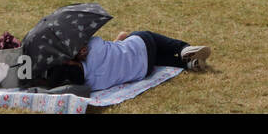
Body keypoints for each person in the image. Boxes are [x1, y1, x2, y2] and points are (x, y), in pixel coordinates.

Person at [69, 30, 211, 91]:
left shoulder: (92, 86)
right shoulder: (93, 46)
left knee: (156, 58)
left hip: (143, 70)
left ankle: (187, 64)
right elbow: (107, 47)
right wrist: (120, 38)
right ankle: (182, 49)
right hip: (142, 44)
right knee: (150, 37)